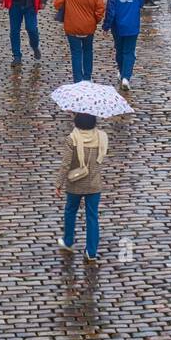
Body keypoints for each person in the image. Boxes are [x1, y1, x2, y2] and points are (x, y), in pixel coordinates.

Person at [55, 112, 109, 264]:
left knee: (70, 211)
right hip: (94, 184)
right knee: (92, 217)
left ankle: (68, 241)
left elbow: (66, 164)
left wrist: (59, 183)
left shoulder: (72, 138)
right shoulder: (102, 137)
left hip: (75, 183)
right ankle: (91, 252)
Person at [53, 0, 105, 83]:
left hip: (72, 27)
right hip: (88, 28)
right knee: (88, 51)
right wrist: (95, 21)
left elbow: (56, 3)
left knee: (76, 53)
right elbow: (100, 10)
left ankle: (77, 79)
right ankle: (87, 77)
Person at [103, 0, 143, 90]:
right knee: (129, 52)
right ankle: (126, 77)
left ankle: (121, 72)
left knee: (119, 50)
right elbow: (141, 3)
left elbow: (110, 12)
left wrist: (106, 26)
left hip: (118, 27)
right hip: (132, 27)